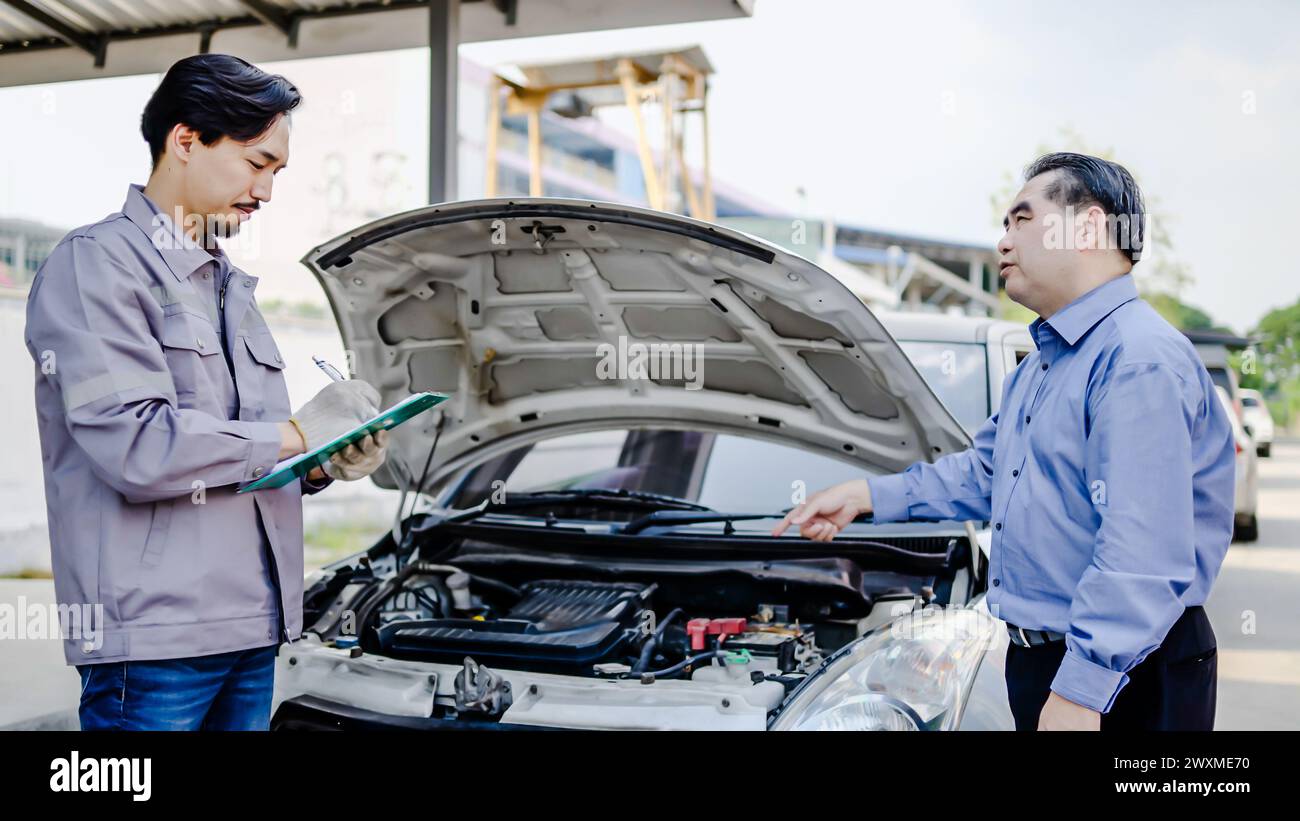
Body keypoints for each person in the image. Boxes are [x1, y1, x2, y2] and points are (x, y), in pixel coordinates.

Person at [772, 153, 1235, 731]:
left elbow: (1140, 552)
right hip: (1046, 658)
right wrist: (865, 496)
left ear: (1087, 227)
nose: (1003, 243)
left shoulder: (1136, 359)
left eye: (1021, 220)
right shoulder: (1041, 366)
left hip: (1127, 671)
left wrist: (1084, 690)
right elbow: (986, 476)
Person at [25, 54, 389, 730]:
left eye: (277, 172)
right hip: (157, 645)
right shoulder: (96, 266)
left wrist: (322, 460)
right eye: (258, 164)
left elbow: (246, 453)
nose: (268, 191)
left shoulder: (232, 291)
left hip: (252, 630)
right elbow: (138, 446)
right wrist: (300, 433)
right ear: (186, 139)